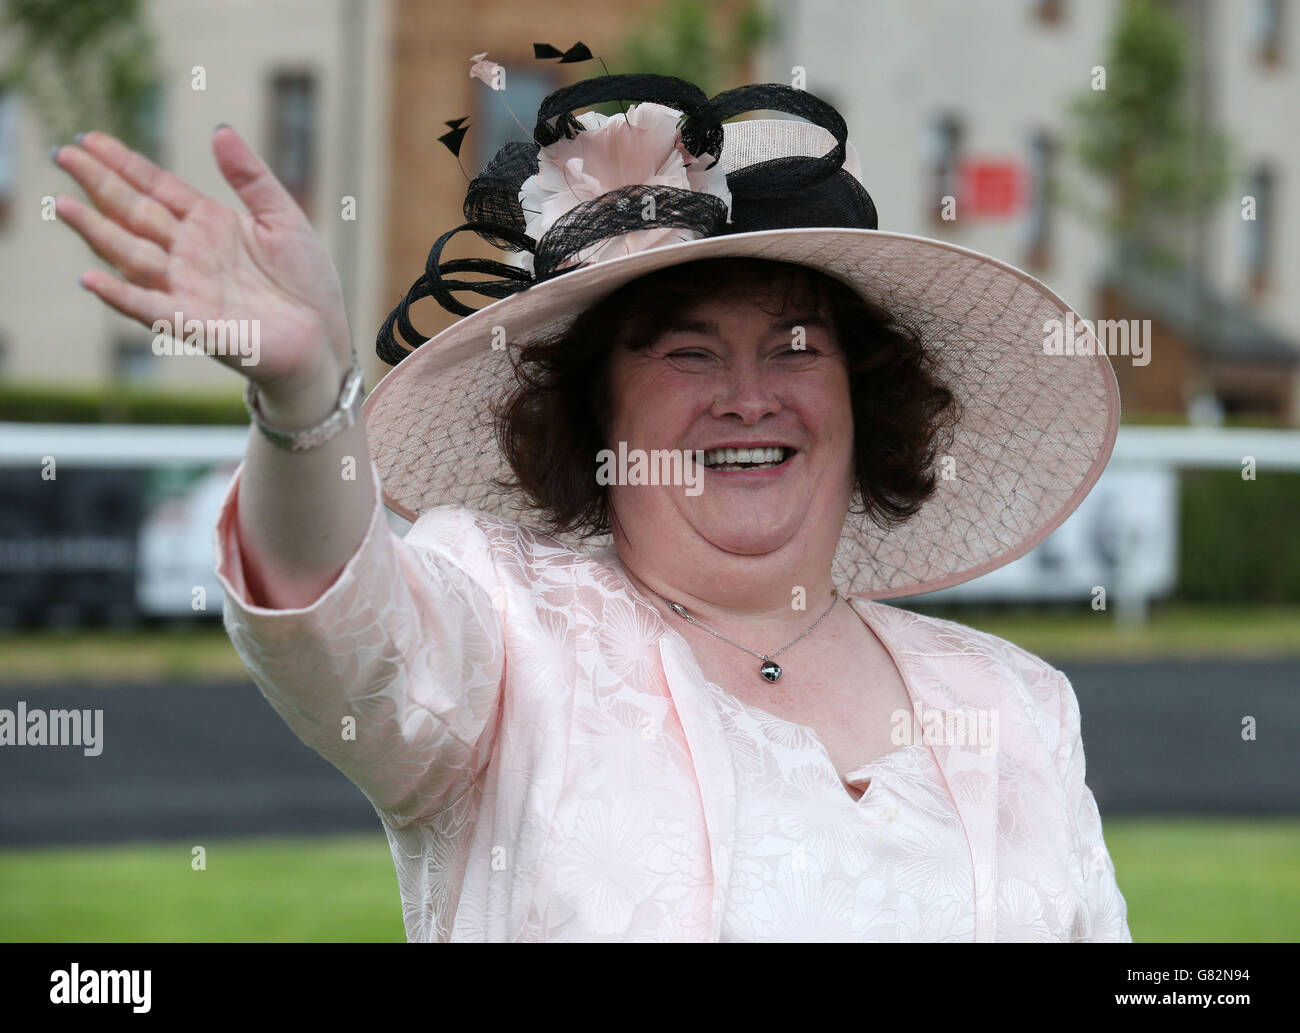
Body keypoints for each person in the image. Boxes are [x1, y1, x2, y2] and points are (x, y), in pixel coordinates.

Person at [51, 61, 1129, 942]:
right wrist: (302, 399)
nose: (748, 397)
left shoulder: (1013, 704)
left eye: (795, 348)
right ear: (597, 414)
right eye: (686, 352)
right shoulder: (506, 636)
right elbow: (336, 620)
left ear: (863, 395)